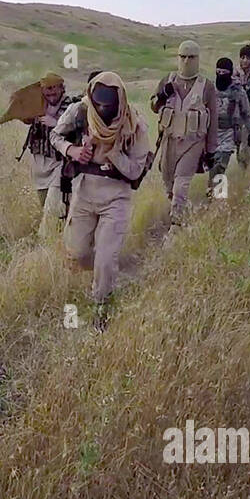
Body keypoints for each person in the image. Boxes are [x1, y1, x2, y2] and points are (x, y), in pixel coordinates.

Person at [50, 71, 152, 331]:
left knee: (105, 260)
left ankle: (102, 306)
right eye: (99, 105)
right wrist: (74, 150)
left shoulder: (134, 123)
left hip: (115, 198)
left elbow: (135, 171)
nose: (104, 110)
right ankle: (101, 271)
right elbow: (56, 137)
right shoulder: (80, 111)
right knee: (78, 254)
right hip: (84, 194)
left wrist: (113, 154)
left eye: (109, 106)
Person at [150, 40, 218, 227]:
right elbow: (154, 107)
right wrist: (163, 95)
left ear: (197, 58)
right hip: (169, 142)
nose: (186, 61)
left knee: (181, 185)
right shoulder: (167, 80)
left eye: (191, 57)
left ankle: (176, 227)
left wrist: (211, 150)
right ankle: (179, 209)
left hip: (192, 144)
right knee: (169, 185)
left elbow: (213, 121)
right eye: (183, 57)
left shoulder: (207, 87)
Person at [20, 72, 73, 211]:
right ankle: (58, 231)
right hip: (39, 163)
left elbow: (74, 129)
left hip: (59, 161)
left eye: (54, 89)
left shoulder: (70, 105)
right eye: (47, 90)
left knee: (53, 208)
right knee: (44, 205)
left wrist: (55, 123)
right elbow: (26, 119)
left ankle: (50, 232)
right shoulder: (38, 104)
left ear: (62, 88)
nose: (51, 94)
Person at [206, 56, 250, 195]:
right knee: (213, 167)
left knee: (220, 166)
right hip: (211, 134)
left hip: (229, 134)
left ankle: (218, 198)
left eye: (224, 73)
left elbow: (246, 113)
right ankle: (212, 196)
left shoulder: (237, 91)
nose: (221, 76)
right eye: (218, 72)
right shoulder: (209, 89)